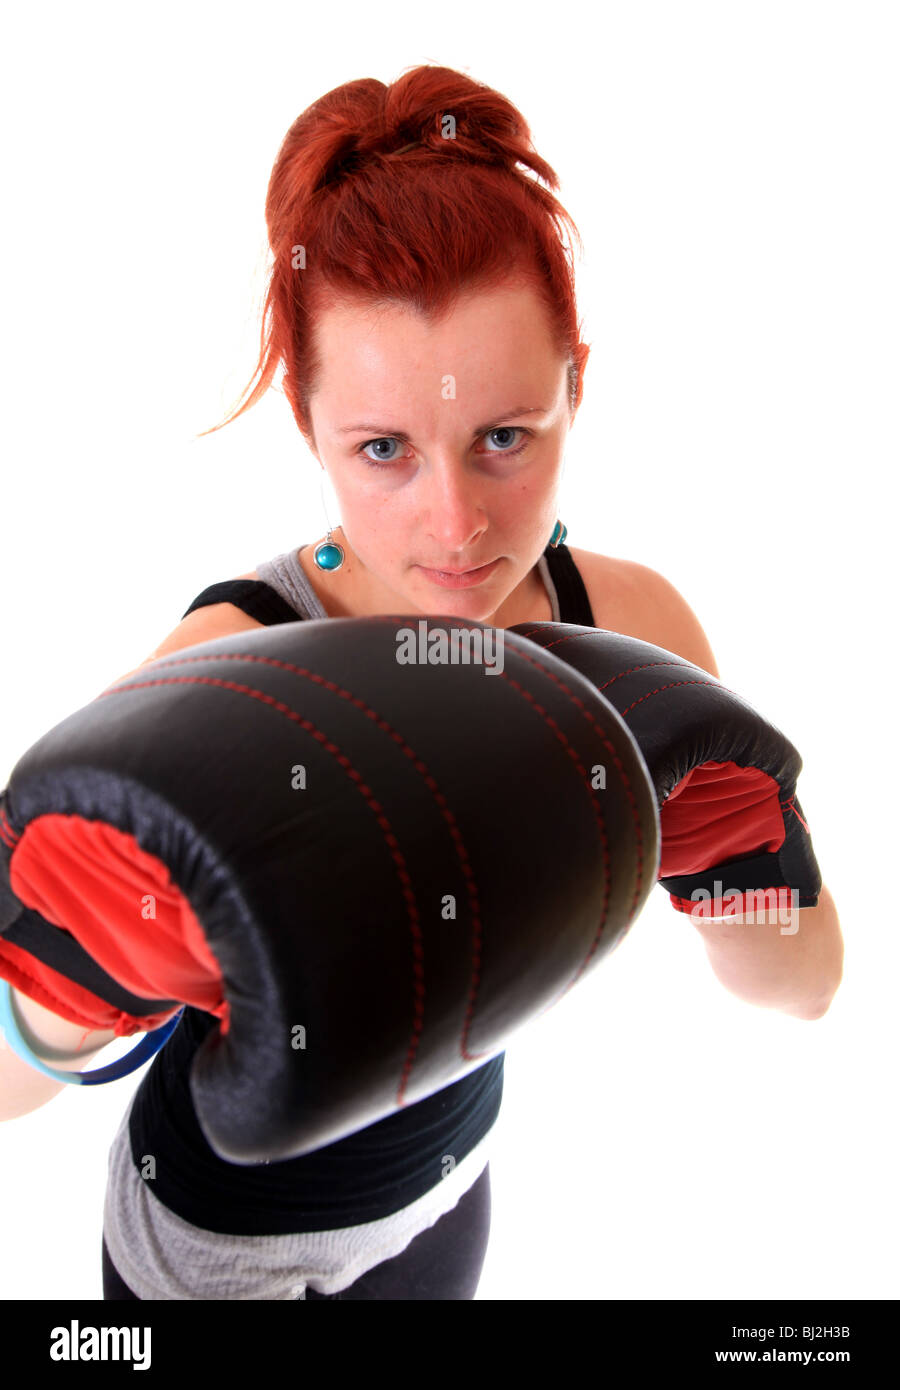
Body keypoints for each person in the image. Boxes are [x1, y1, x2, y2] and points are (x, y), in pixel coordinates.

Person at [2, 62, 844, 1300]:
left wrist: (742, 870)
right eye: (383, 450)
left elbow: (807, 991)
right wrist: (76, 988)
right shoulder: (225, 668)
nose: (455, 525)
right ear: (309, 423)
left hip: (448, 1195)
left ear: (577, 387)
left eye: (505, 437)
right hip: (213, 1253)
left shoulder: (632, 628)